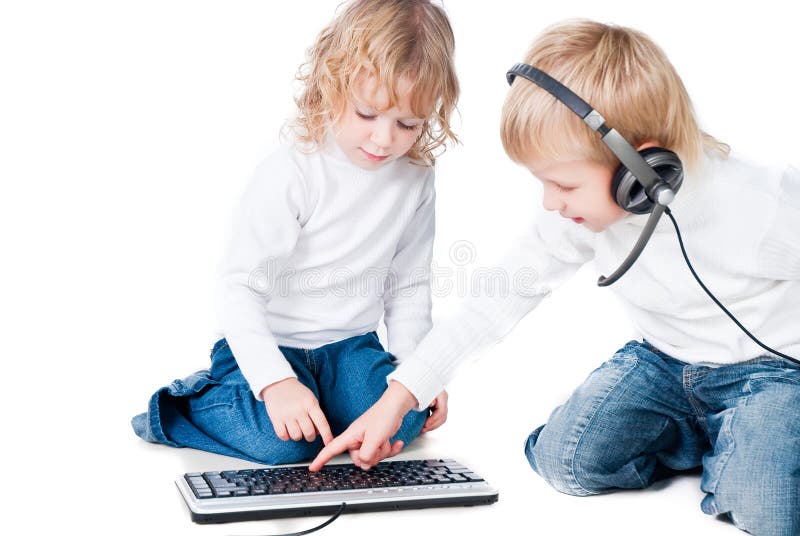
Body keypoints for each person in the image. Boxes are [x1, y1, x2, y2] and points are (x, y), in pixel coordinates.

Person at [310, 19, 800, 535]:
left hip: (769, 373)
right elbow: (492, 304)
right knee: (564, 462)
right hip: (663, 362)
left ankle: (752, 445)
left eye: (562, 183)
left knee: (767, 509)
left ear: (639, 168)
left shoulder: (757, 207)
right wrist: (398, 399)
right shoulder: (579, 215)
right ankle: (721, 440)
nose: (550, 201)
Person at [131, 0, 458, 466]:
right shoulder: (294, 169)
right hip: (268, 342)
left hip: (350, 347)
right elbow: (239, 285)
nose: (384, 139)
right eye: (367, 114)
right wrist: (276, 381)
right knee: (285, 444)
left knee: (406, 418)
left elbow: (408, 285)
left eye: (407, 123)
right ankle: (184, 407)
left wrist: (419, 374)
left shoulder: (415, 177)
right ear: (332, 83)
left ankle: (320, 406)